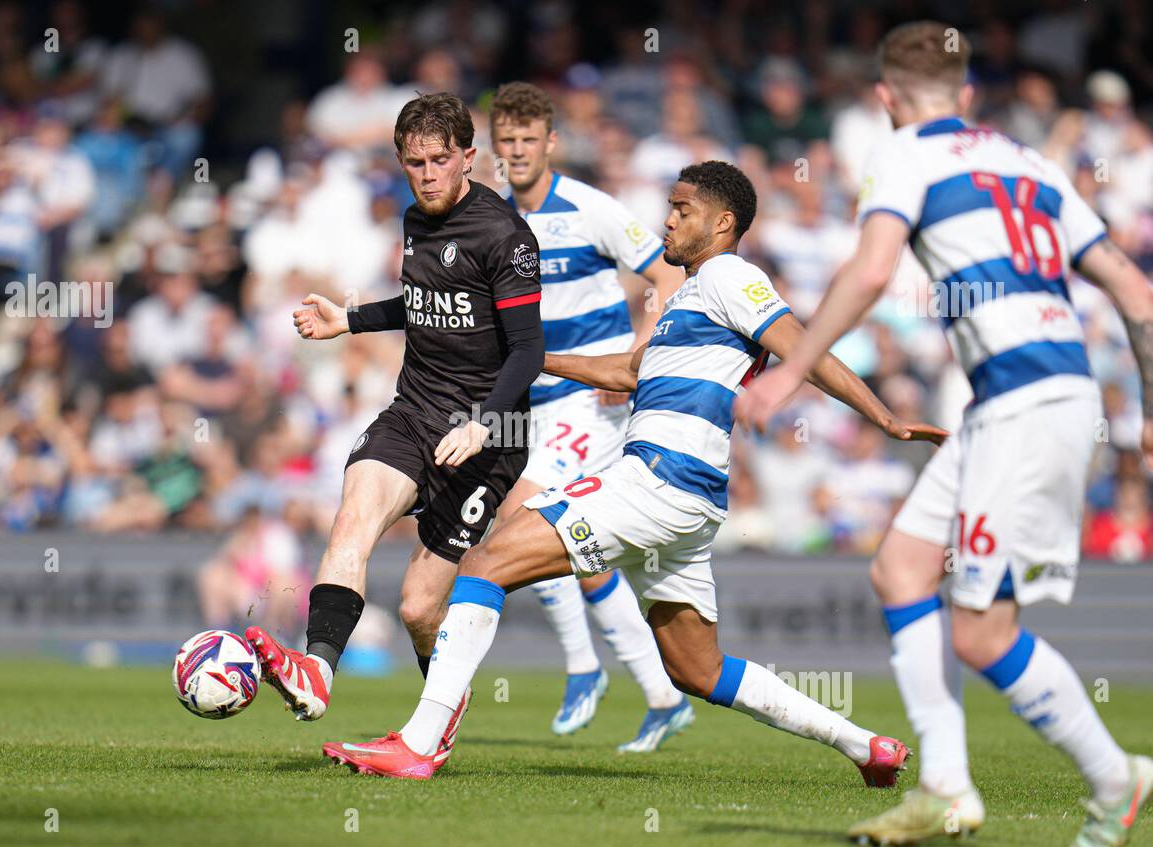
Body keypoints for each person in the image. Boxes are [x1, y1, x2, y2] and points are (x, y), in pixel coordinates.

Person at [320, 160, 945, 782]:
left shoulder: (731, 276)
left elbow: (802, 346)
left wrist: (884, 418)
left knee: (484, 565)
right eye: (668, 207)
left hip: (659, 479)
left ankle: (421, 744)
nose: (666, 221)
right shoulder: (691, 297)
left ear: (724, 223)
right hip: (689, 501)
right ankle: (866, 747)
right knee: (697, 671)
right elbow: (623, 372)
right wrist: (529, 357)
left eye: (682, 210)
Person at [735, 21, 1153, 847]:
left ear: (886, 98)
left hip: (1027, 406)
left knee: (980, 633)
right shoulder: (1033, 163)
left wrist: (790, 372)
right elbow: (1136, 294)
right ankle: (946, 789)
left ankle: (1117, 779)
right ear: (967, 96)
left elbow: (873, 269)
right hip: (1024, 400)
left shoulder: (905, 156)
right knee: (898, 569)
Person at [247, 93, 544, 773]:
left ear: (469, 157)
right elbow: (426, 302)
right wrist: (350, 320)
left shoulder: (506, 236)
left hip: (487, 436)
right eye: (416, 162)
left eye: (442, 160)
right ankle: (317, 669)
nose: (429, 174)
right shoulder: (416, 219)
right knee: (354, 511)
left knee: (417, 609)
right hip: (414, 410)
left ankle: (442, 700)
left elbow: (527, 351)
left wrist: (483, 421)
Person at [490, 81, 693, 751]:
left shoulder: (589, 208)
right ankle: (663, 696)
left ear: (550, 143)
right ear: (495, 148)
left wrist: (639, 351)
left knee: (521, 518)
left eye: (528, 140)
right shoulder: (491, 216)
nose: (518, 152)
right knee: (579, 546)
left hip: (590, 398)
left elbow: (670, 275)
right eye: (507, 141)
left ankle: (583, 669)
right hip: (527, 404)